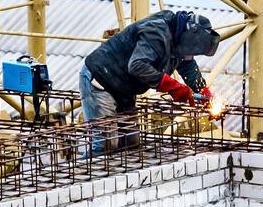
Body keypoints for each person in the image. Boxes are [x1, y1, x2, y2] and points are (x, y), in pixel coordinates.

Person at [80, 10, 219, 154]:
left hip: (123, 88)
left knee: (130, 144)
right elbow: (137, 66)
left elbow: (188, 66)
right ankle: (82, 174)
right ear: (189, 34)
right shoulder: (156, 33)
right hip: (100, 80)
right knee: (105, 145)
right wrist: (172, 87)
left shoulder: (180, 41)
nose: (191, 54)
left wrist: (203, 91)